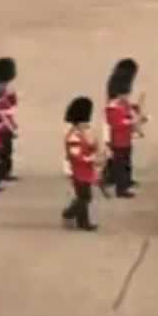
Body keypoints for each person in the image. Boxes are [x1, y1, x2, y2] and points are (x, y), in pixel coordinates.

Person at [103, 58, 142, 198]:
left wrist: (134, 109)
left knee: (124, 161)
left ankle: (122, 180)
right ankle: (121, 185)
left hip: (124, 139)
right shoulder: (114, 105)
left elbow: (126, 108)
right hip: (118, 139)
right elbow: (118, 122)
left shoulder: (120, 99)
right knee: (120, 162)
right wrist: (131, 121)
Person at [62, 96, 100, 231]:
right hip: (78, 171)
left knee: (84, 197)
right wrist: (92, 158)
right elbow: (77, 157)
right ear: (78, 123)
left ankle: (77, 218)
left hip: (85, 171)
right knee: (84, 197)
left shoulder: (80, 135)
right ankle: (75, 217)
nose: (87, 125)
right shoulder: (73, 137)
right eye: (85, 123)